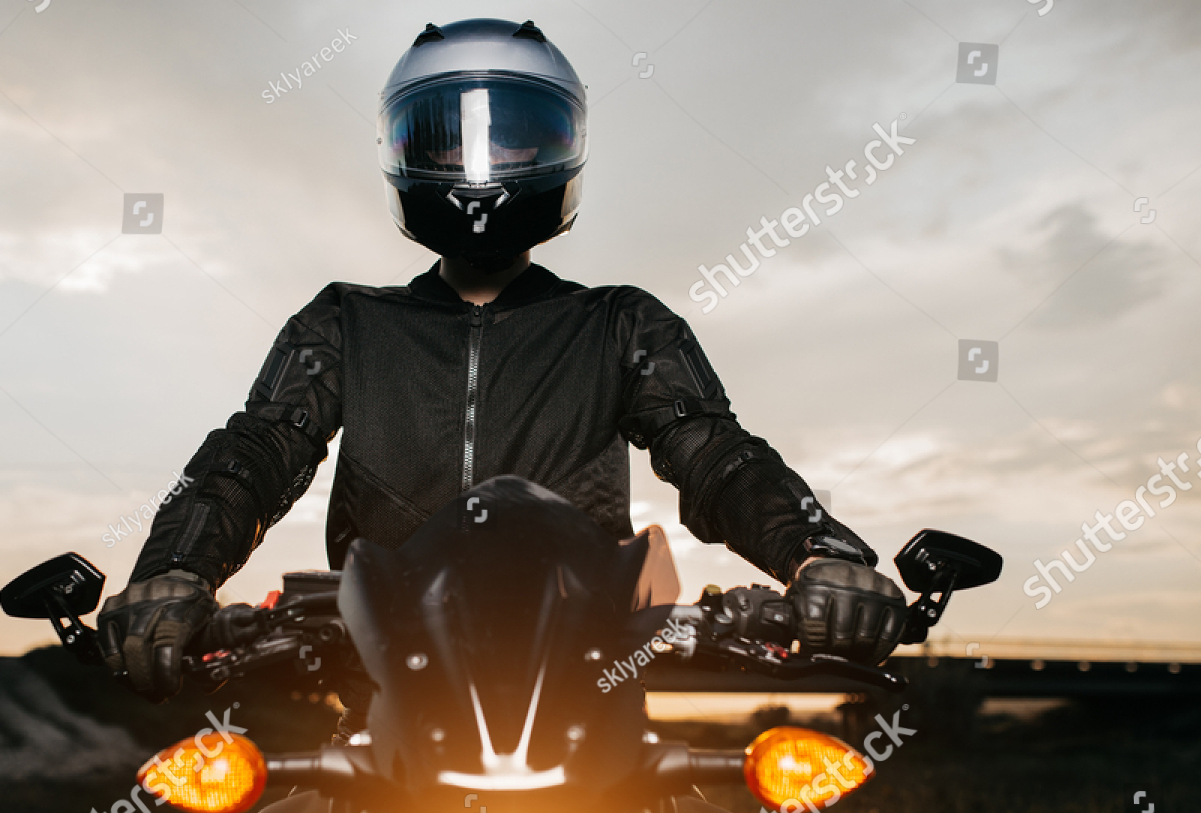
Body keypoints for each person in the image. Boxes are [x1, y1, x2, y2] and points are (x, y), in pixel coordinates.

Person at [98, 17, 905, 707]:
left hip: (586, 692)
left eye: (514, 133)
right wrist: (174, 572)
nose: (480, 164)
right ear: (400, 149)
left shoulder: (621, 323)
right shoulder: (346, 321)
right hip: (387, 698)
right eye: (448, 137)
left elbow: (716, 456)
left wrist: (821, 556)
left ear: (565, 147)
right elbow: (257, 450)